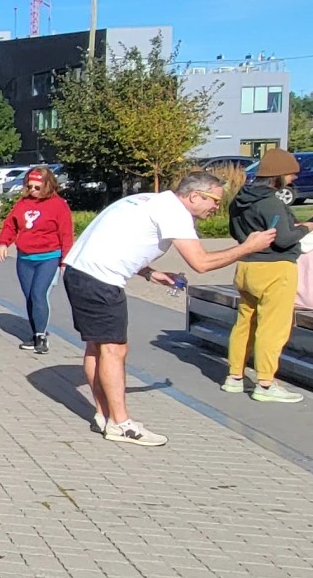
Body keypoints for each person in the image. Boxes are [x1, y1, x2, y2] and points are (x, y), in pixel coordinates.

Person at [60, 171, 279, 446]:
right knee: (114, 350)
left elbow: (119, 241)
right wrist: (249, 247)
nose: (216, 208)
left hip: (80, 273)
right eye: (214, 201)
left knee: (98, 347)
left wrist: (150, 273)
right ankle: (122, 425)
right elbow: (201, 263)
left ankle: (106, 416)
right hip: (100, 282)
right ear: (194, 196)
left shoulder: (147, 201)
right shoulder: (174, 213)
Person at [223, 150, 308, 404]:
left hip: (247, 267)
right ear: (278, 176)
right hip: (276, 268)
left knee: (244, 324)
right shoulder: (271, 201)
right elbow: (283, 239)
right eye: (291, 174)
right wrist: (305, 228)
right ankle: (265, 383)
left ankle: (234, 377)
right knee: (273, 327)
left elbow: (234, 231)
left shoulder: (241, 198)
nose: (292, 179)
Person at [0, 165, 72, 355]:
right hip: (25, 257)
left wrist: (65, 261)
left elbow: (66, 234)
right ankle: (33, 332)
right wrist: (3, 243)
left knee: (39, 294)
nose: (33, 191)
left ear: (47, 185)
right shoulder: (23, 203)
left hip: (49, 257)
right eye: (30, 187)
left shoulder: (58, 205)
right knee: (30, 297)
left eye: (37, 187)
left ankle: (41, 336)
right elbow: (10, 225)